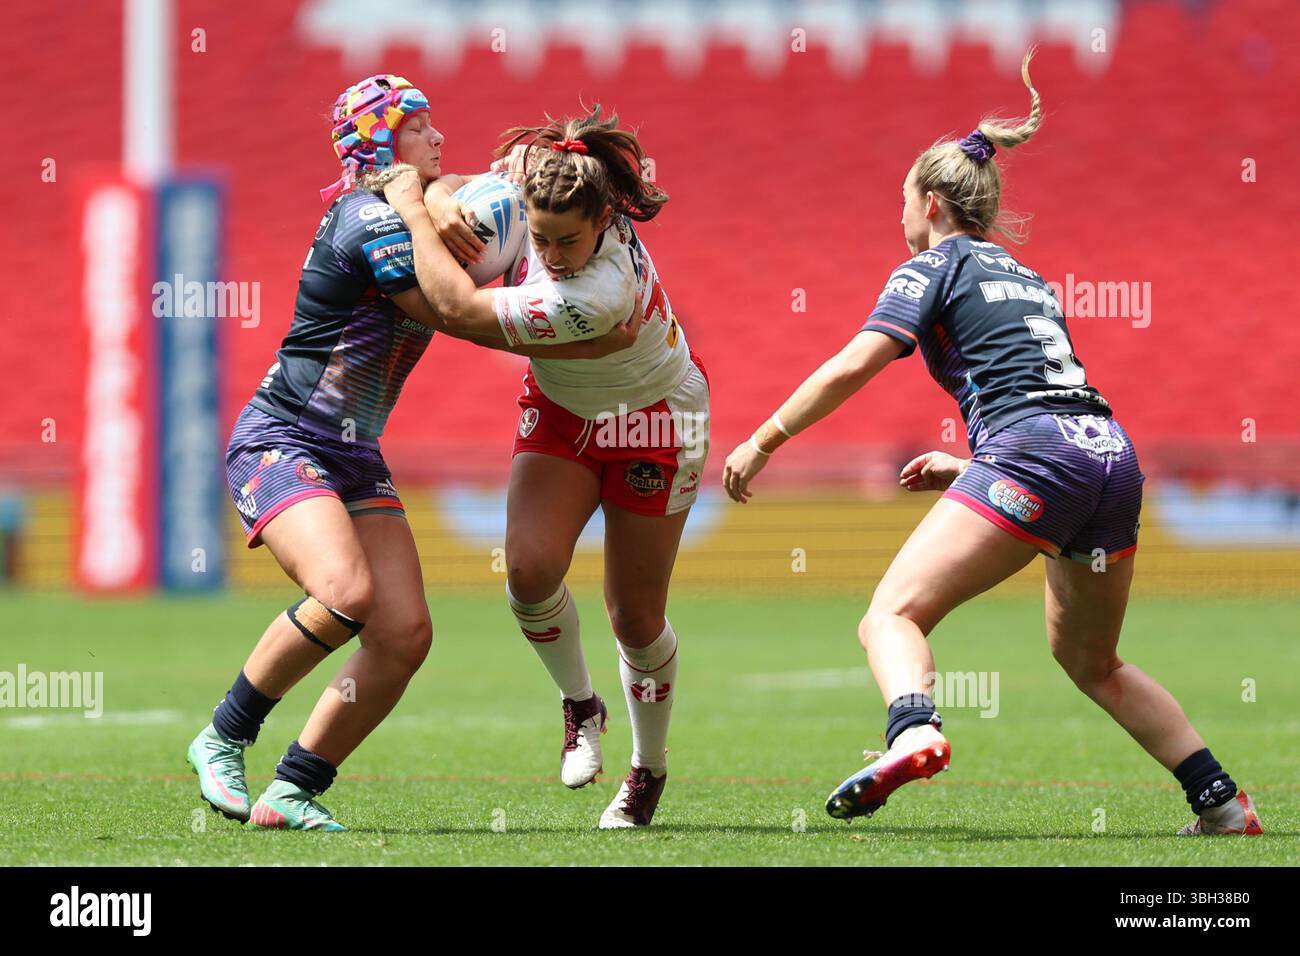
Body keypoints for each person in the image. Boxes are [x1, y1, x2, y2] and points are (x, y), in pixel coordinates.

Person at [720, 52, 1261, 836]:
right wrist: (974, 467)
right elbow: (1047, 393)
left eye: (902, 202)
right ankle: (1222, 805)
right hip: (1109, 455)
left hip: (1035, 455)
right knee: (1091, 662)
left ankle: (913, 730)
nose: (900, 217)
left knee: (890, 618)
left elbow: (853, 363)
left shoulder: (932, 263)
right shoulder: (1029, 276)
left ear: (931, 203)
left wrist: (763, 440)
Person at [187, 75, 634, 831]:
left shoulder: (413, 206)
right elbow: (459, 315)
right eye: (420, 128)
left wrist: (432, 191)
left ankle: (294, 788)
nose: (439, 140)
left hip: (354, 455)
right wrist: (584, 331)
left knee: (404, 634)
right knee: (347, 593)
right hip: (282, 437)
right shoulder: (368, 220)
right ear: (380, 143)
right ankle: (223, 735)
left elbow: (472, 184)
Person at [381, 104, 709, 828]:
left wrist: (409, 206)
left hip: (658, 420)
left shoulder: (600, 294)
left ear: (604, 222)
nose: (553, 256)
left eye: (568, 241)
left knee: (634, 614)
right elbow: (467, 183)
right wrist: (439, 195)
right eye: (540, 238)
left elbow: (458, 311)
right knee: (528, 574)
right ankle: (581, 705)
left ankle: (647, 769)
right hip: (563, 412)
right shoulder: (542, 178)